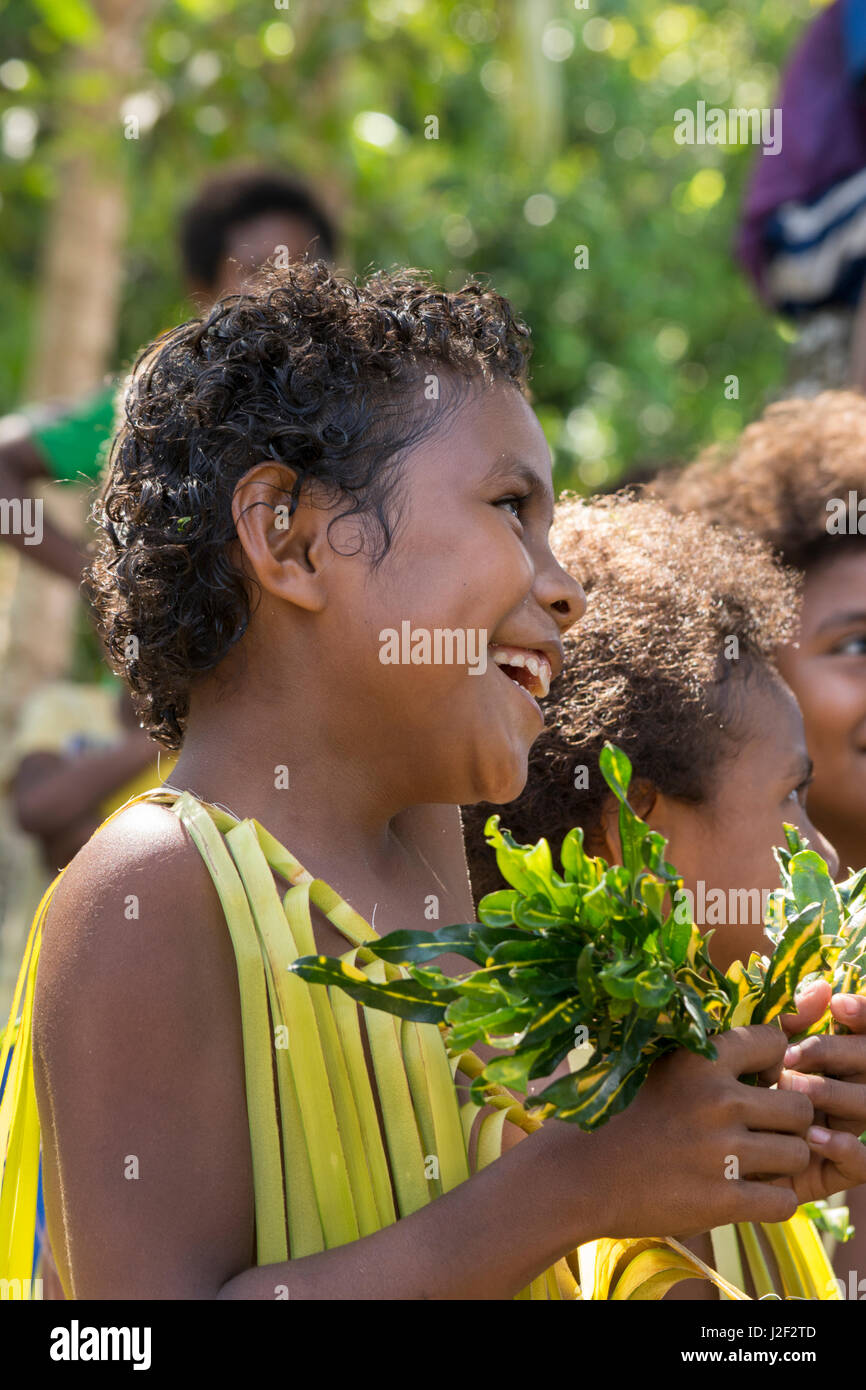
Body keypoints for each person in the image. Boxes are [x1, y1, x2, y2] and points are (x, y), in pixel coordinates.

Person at [4, 261, 858, 1301]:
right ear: (289, 537)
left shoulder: (432, 851)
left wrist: (744, 1125)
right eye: (508, 505)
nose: (563, 588)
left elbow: (511, 1218)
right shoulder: (154, 885)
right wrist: (581, 1185)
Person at [461, 490, 866, 1298]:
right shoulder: (530, 1122)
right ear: (635, 838)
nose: (824, 855)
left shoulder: (720, 1093)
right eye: (791, 798)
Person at [0, 167, 338, 582]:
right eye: (257, 269)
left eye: (303, 268)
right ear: (205, 290)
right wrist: (96, 579)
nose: (285, 288)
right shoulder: (163, 404)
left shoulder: (356, 391)